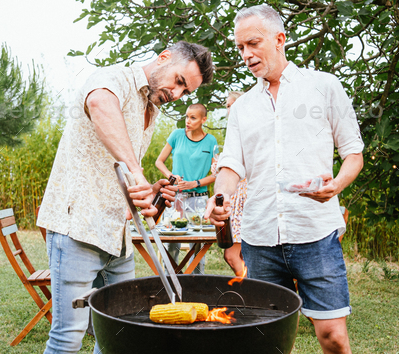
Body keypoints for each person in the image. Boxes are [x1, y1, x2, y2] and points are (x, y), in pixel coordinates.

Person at [205, 4, 363, 354]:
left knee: (333, 338)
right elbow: (231, 165)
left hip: (315, 234)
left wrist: (337, 184)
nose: (246, 54)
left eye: (253, 43)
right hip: (260, 241)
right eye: (240, 48)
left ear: (280, 39)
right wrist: (220, 199)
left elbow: (353, 152)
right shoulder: (243, 107)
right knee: (265, 344)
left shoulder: (324, 86)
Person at [37, 40, 213, 354]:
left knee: (119, 335)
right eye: (179, 81)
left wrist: (153, 190)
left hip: (119, 235)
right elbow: (101, 105)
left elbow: (117, 168)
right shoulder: (114, 78)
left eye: (185, 92)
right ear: (164, 57)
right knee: (68, 338)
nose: (177, 93)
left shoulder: (152, 107)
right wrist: (138, 173)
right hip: (79, 227)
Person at [155, 103, 217, 274]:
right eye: (186, 116)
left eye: (193, 117)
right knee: (171, 244)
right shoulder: (176, 135)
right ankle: (171, 282)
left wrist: (195, 183)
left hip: (199, 200)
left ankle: (197, 284)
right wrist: (171, 176)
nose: (187, 121)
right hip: (176, 199)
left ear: (204, 119)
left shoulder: (211, 141)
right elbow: (159, 161)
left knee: (197, 246)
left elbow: (216, 174)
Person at [221, 91, 247, 277]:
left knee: (231, 255)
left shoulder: (247, 129)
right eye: (227, 106)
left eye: (231, 105)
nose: (228, 110)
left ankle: (250, 290)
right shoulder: (234, 130)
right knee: (236, 255)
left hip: (243, 198)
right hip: (234, 197)